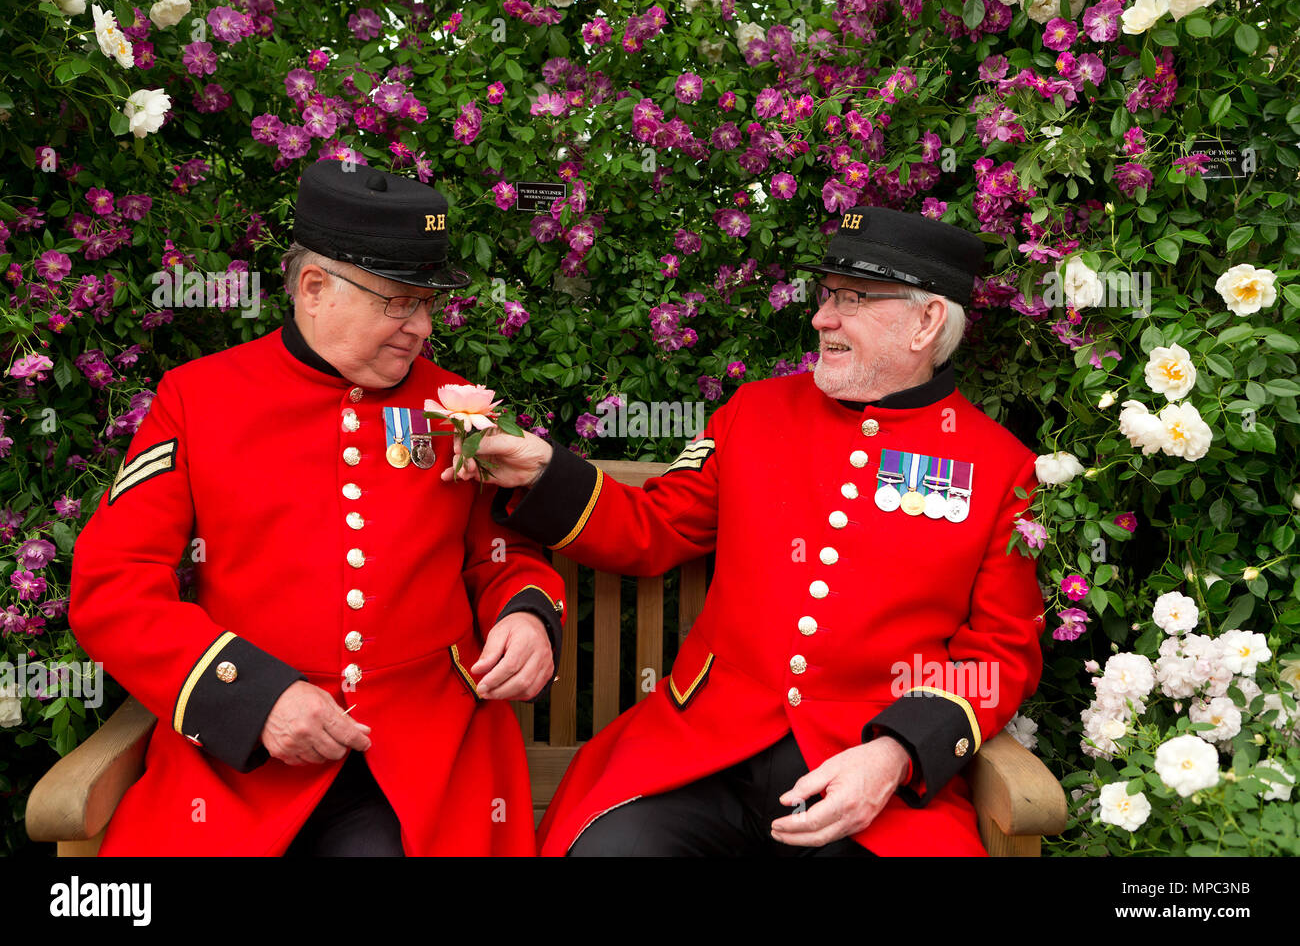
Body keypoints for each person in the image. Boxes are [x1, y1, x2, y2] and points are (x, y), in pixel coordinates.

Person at [445, 206, 1045, 856]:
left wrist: (897, 754)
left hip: (859, 763)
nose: (822, 318)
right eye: (824, 296)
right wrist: (543, 471)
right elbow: (651, 528)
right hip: (702, 749)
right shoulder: (754, 413)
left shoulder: (1000, 469)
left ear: (926, 322)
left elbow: (998, 652)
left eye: (853, 299)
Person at [69, 160, 565, 856]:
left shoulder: (455, 405)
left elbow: (500, 555)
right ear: (312, 287)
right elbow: (113, 586)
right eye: (400, 302)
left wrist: (528, 615)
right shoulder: (197, 399)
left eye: (429, 304)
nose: (423, 327)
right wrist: (250, 695)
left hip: (424, 755)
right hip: (241, 768)